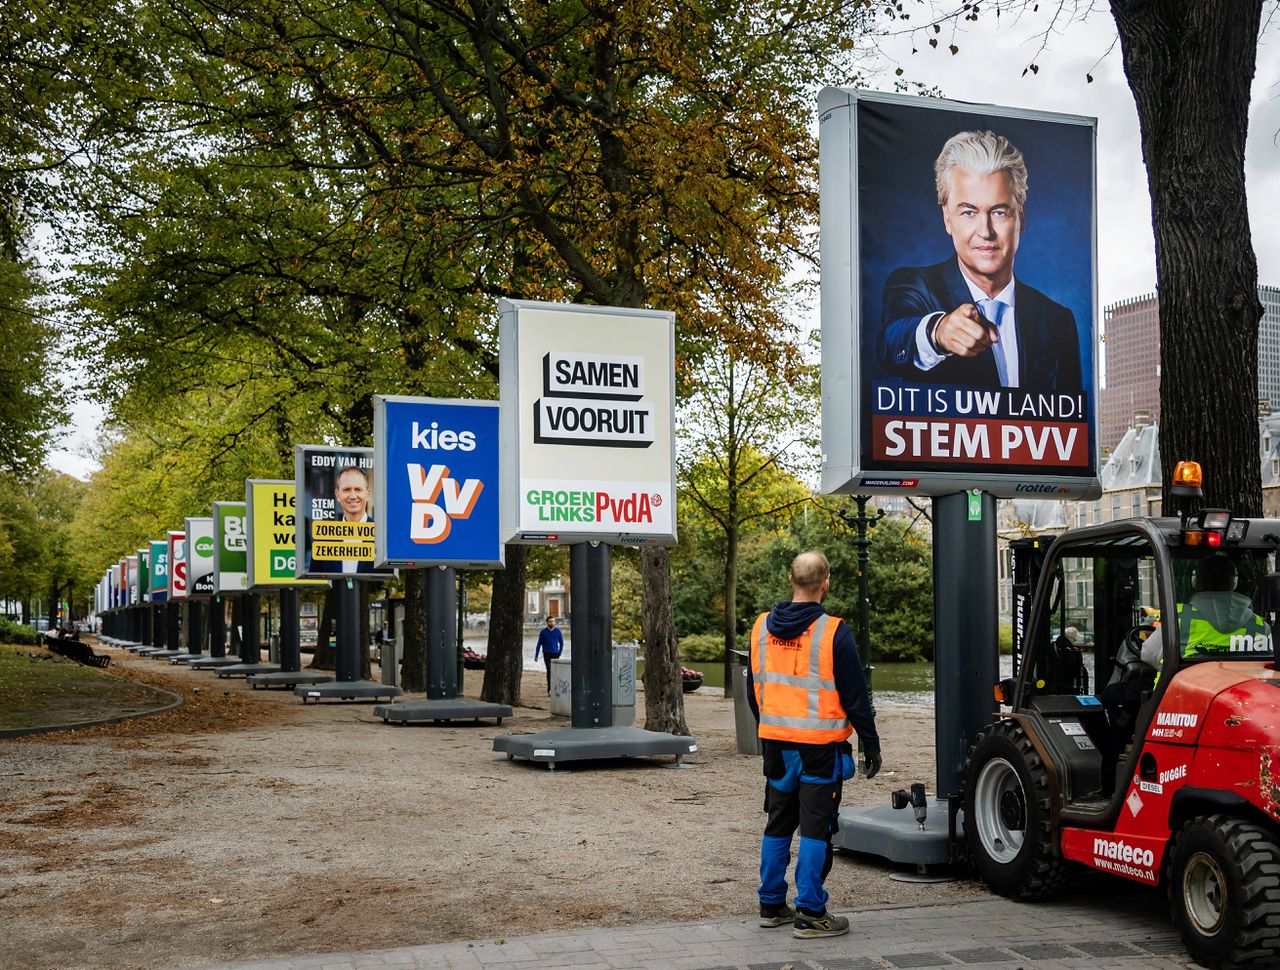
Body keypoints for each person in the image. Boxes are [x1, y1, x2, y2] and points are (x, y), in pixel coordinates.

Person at [877, 129, 1082, 393]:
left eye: (999, 211)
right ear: (947, 219)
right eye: (969, 212)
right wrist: (938, 333)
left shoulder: (1057, 321)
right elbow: (891, 342)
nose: (985, 231)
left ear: (1021, 216)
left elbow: (1072, 426)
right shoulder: (914, 286)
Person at [746, 550, 881, 939]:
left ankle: (771, 905)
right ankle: (810, 912)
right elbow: (856, 697)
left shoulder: (759, 628)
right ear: (825, 584)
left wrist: (768, 728)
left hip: (776, 743)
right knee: (816, 829)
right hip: (820, 749)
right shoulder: (834, 632)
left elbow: (755, 689)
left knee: (778, 823)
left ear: (790, 580)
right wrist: (869, 744)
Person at [1140, 556, 1270, 669]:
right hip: (1242, 695)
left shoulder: (1178, 617)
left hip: (1181, 695)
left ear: (1197, 582)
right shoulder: (1260, 627)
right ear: (1233, 583)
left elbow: (1148, 654)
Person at [307, 465, 376, 575]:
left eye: (358, 489)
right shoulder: (324, 537)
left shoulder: (382, 537)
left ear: (367, 494)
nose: (353, 496)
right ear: (338, 495)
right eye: (346, 490)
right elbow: (315, 582)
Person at [534, 616, 563, 693]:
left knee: (556, 671)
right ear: (547, 622)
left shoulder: (558, 631)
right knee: (549, 670)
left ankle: (556, 687)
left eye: (553, 621)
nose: (552, 623)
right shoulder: (543, 632)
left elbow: (561, 643)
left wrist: (560, 652)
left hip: (556, 654)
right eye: (550, 621)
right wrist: (536, 655)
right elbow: (539, 644)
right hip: (547, 653)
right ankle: (549, 689)